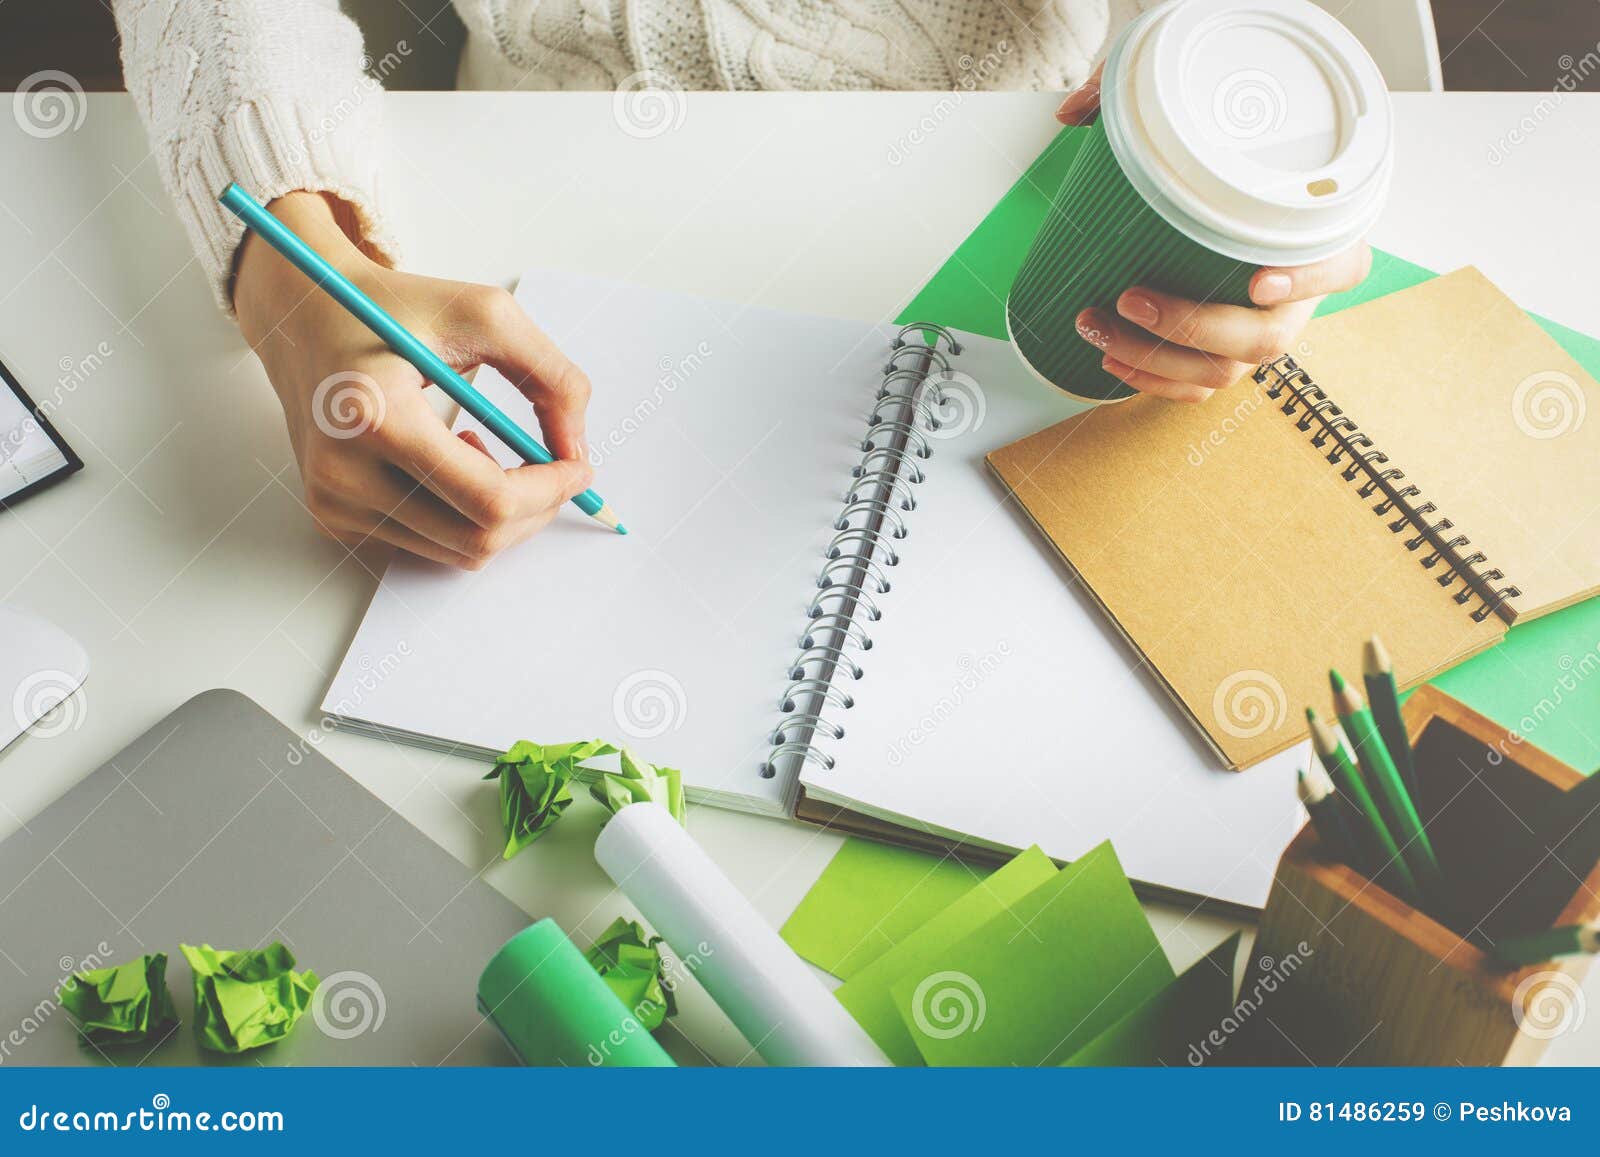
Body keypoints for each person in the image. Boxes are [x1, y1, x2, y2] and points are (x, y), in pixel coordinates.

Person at [112, 0, 1370, 568]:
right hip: (517, 217)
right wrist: (298, 272)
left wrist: (1253, 167)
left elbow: (1267, 44)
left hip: (995, 202)